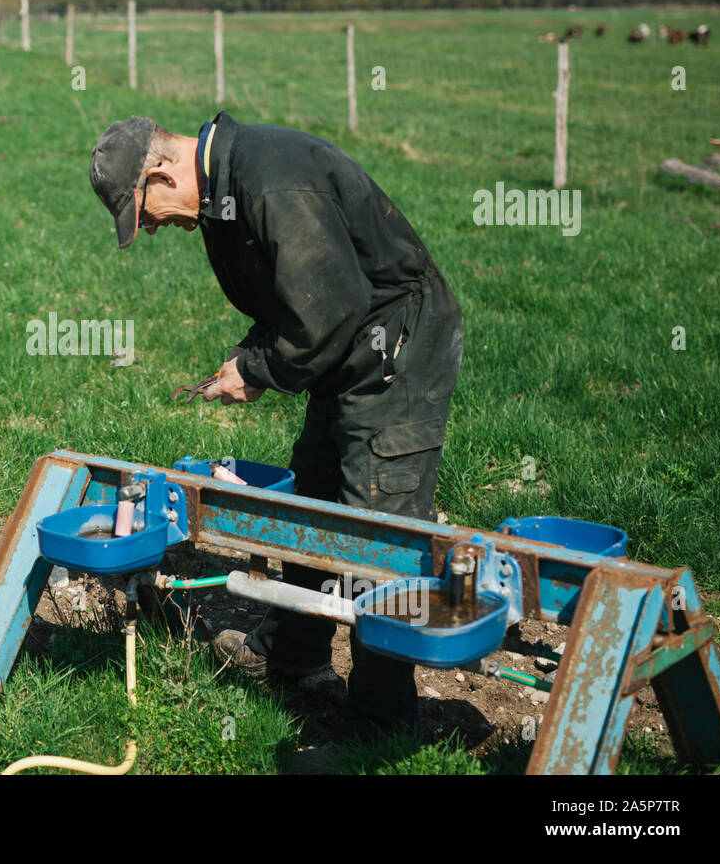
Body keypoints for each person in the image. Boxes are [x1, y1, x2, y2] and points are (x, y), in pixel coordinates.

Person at [89, 112, 464, 761]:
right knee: (315, 493)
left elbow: (332, 304)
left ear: (161, 172)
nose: (150, 227)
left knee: (380, 532)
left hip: (394, 344)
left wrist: (261, 368)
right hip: (347, 347)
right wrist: (252, 354)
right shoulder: (222, 190)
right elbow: (289, 297)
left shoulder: (268, 180)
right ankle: (294, 653)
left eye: (143, 212)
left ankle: (380, 726)